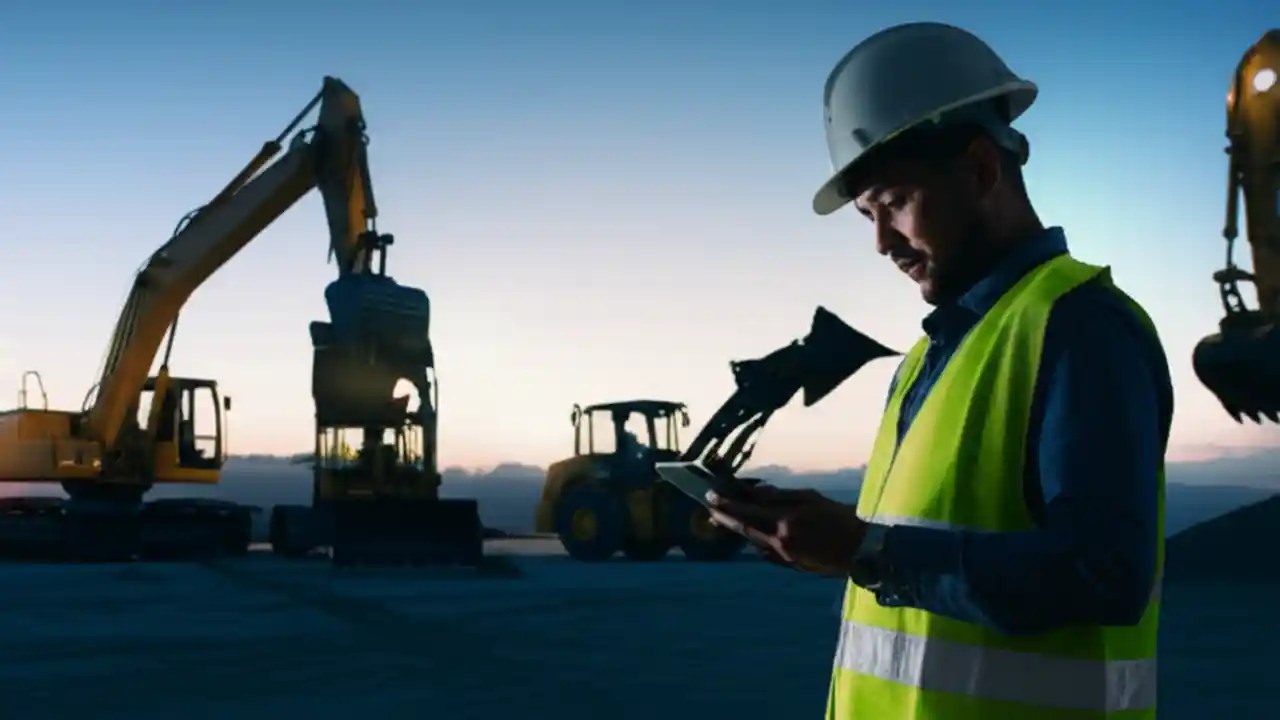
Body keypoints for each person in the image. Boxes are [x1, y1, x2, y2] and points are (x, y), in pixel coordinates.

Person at [704, 21, 1172, 719]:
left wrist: (868, 552)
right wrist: (820, 541)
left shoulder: (1081, 327)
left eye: (893, 203)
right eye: (867, 214)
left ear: (982, 170)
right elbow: (912, 555)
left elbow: (1101, 575)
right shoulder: (926, 358)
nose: (881, 243)